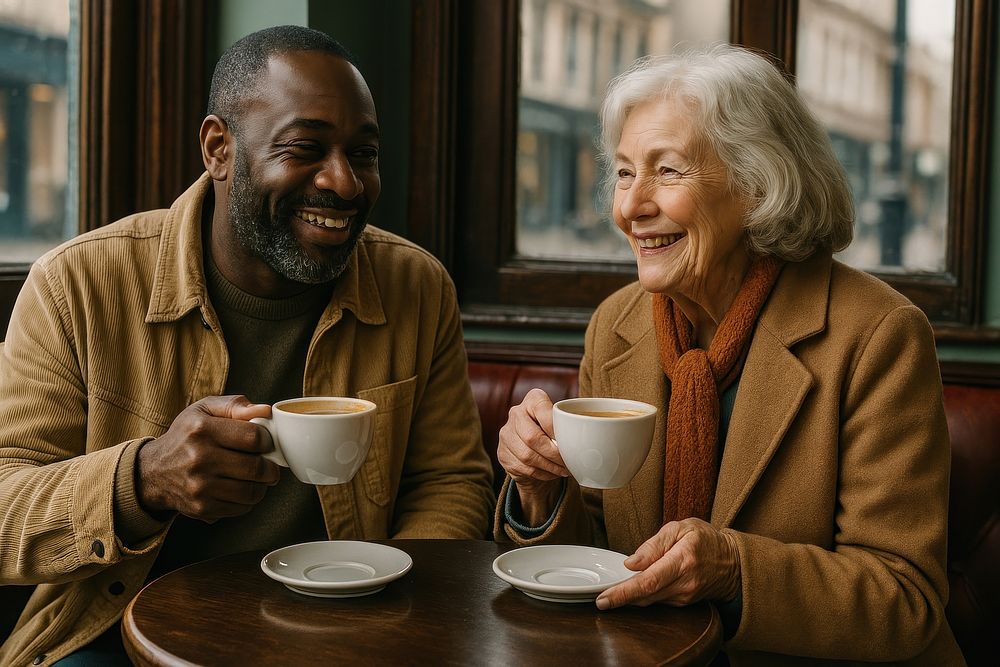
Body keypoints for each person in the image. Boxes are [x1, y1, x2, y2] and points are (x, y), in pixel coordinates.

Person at [0, 25, 494, 665]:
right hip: (110, 636)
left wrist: (384, 607)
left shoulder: (417, 287)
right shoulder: (77, 284)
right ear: (218, 148)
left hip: (348, 631)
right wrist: (143, 480)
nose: (345, 184)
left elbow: (449, 481)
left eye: (364, 153)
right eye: (304, 148)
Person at [494, 44, 962, 665]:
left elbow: (904, 599)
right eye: (627, 172)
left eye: (668, 171)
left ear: (758, 185)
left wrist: (735, 571)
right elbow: (601, 550)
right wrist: (538, 487)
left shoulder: (877, 334)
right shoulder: (617, 323)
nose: (630, 207)